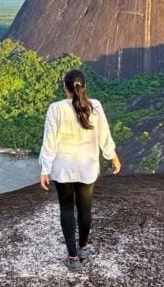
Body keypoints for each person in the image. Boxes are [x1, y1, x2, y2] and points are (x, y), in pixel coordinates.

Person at [39, 68, 121, 272]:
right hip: (87, 167)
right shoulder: (95, 106)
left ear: (64, 88)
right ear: (84, 87)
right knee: (85, 208)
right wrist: (112, 156)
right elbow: (104, 135)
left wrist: (44, 169)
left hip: (63, 169)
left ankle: (73, 258)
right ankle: (83, 248)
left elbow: (49, 142)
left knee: (67, 209)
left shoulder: (55, 109)